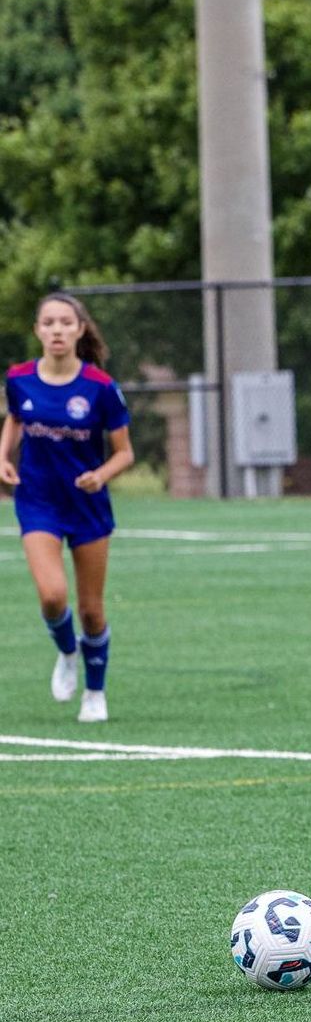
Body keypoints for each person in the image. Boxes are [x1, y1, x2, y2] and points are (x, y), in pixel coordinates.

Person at [0, 292, 134, 722]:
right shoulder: (19, 378)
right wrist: (3, 455)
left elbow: (124, 452)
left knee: (92, 609)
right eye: (48, 323)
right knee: (53, 596)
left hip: (88, 506)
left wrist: (102, 475)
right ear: (38, 330)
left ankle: (95, 693)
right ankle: (66, 652)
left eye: (65, 322)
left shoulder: (100, 387)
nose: (57, 330)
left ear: (79, 330)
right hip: (38, 500)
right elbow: (16, 419)